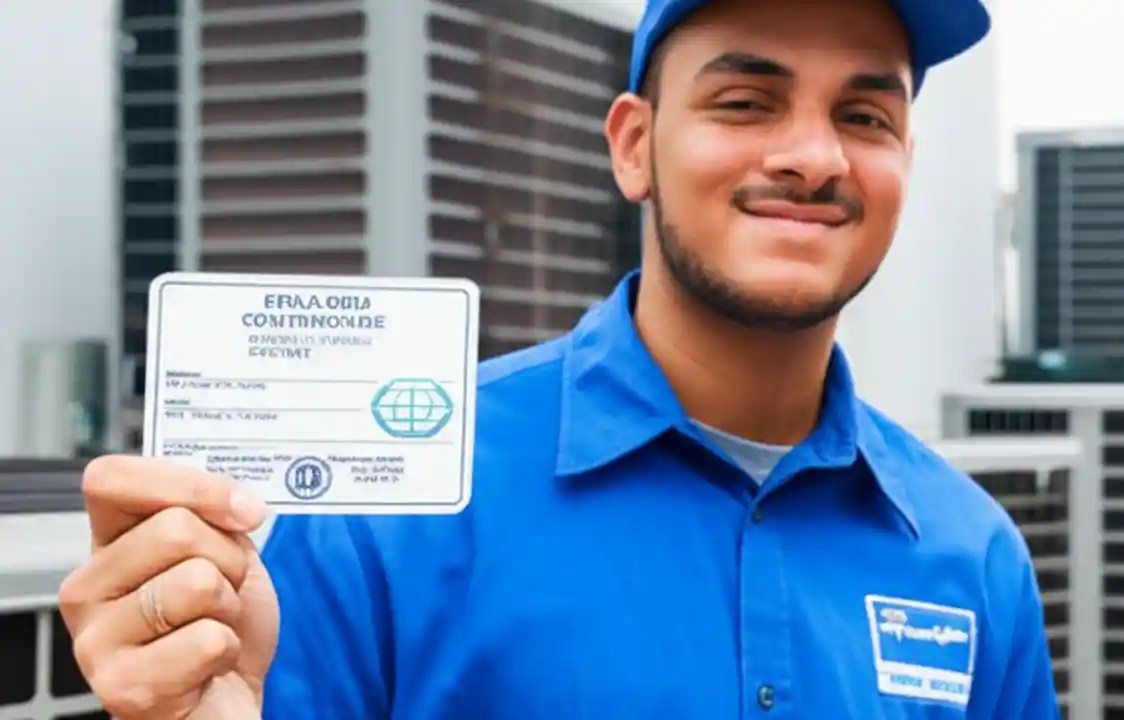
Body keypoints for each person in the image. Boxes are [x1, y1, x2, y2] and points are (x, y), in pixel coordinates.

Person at [58, 0, 1061, 717]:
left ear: (903, 162)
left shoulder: (973, 555)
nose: (813, 155)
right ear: (632, 146)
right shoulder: (385, 511)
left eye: (864, 116)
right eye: (745, 102)